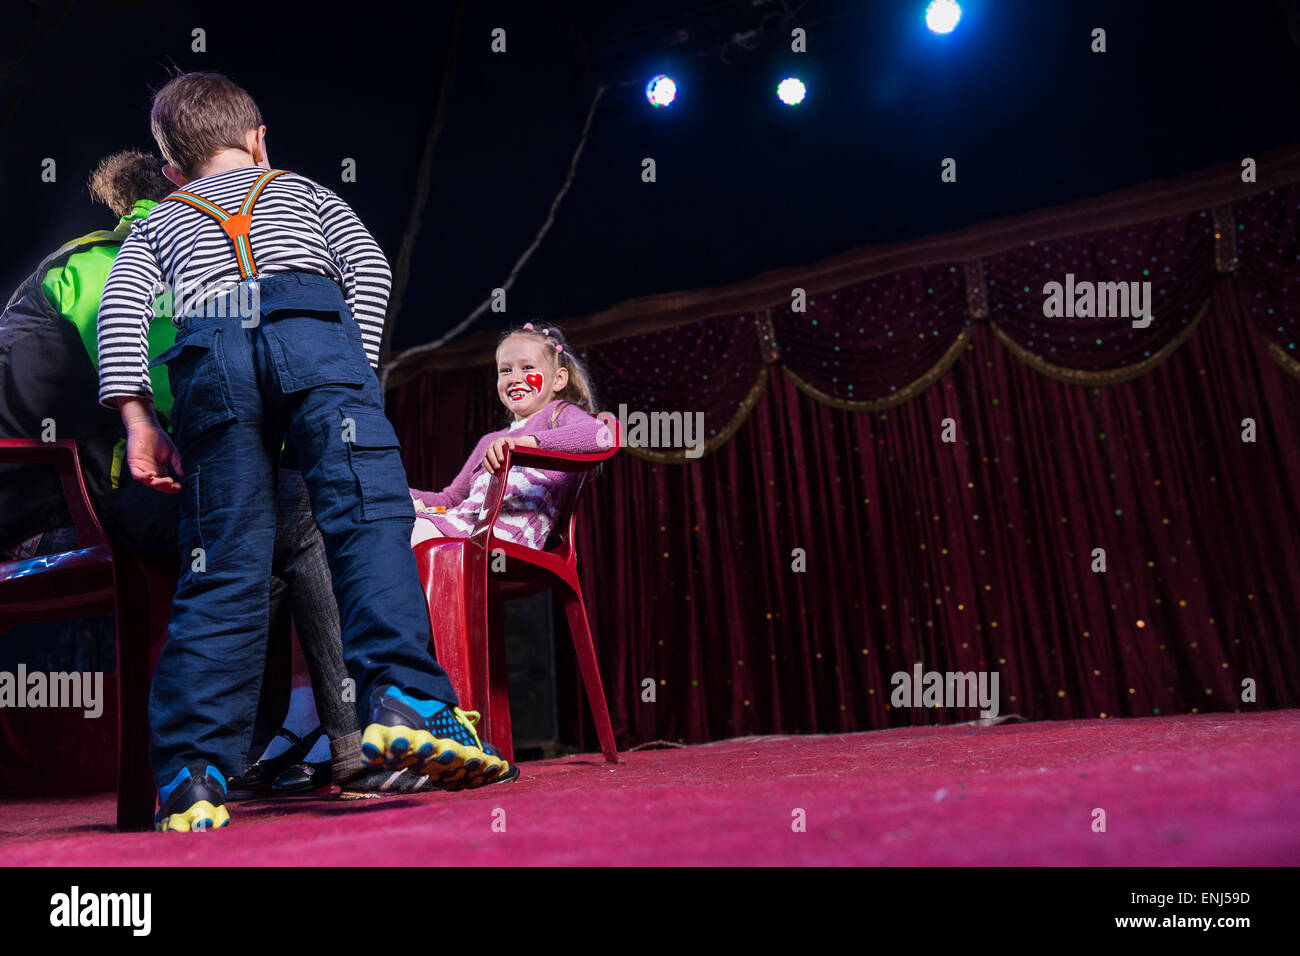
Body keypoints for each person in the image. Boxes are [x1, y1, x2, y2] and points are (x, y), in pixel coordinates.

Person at [97, 71, 514, 831]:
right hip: (313, 332)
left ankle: (192, 773)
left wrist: (137, 419)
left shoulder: (160, 220)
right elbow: (371, 268)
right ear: (259, 139)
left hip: (209, 354)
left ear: (172, 171)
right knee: (362, 518)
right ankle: (410, 702)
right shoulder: (307, 191)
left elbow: (122, 307)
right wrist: (349, 367)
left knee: (222, 559)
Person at [0, 150, 418, 799]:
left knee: (271, 517)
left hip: (73, 492)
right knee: (300, 510)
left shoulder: (98, 257)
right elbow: (183, 391)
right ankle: (361, 743)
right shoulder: (107, 263)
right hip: (58, 511)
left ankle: (241, 756)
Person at [409, 323, 611, 549]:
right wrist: (397, 494)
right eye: (506, 370)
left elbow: (602, 435)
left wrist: (528, 443)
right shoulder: (490, 441)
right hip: (462, 524)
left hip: (504, 536)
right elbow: (451, 500)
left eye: (527, 367)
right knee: (388, 526)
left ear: (558, 380)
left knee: (401, 535)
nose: (514, 378)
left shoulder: (557, 415)